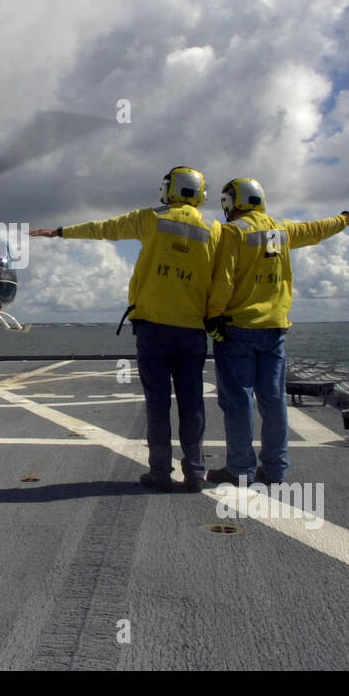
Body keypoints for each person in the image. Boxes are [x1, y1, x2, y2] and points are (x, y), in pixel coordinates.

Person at [30, 167, 220, 493]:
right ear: (201, 194)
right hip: (192, 329)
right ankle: (196, 473)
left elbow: (105, 228)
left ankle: (160, 472)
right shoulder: (213, 229)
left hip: (153, 328)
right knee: (193, 404)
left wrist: (60, 232)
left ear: (168, 190)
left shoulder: (150, 218)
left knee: (157, 402)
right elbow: (222, 278)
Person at [204, 177, 349, 486]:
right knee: (272, 400)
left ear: (231, 203)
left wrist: (213, 316)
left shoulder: (233, 232)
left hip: (238, 329)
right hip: (275, 330)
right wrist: (347, 218)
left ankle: (240, 468)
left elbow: (224, 279)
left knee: (239, 400)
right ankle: (274, 470)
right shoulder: (281, 231)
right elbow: (318, 229)